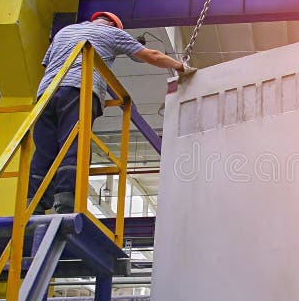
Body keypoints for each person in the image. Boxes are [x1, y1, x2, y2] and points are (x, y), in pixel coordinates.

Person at [29, 11, 193, 214]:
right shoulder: (113, 33)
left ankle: (34, 202)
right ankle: (66, 199)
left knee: (44, 150)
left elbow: (46, 63)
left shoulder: (65, 31)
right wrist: (181, 67)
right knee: (74, 144)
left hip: (46, 93)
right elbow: (152, 56)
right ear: (114, 25)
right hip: (79, 89)